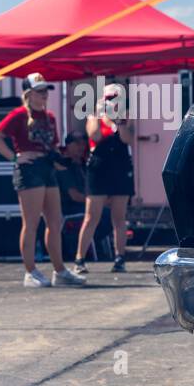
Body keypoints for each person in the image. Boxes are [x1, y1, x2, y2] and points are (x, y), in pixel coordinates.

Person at [0, 74, 86, 288]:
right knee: (31, 223)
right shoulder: (19, 114)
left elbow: (52, 145)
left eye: (46, 90)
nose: (44, 95)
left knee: (55, 221)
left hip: (47, 169)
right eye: (40, 91)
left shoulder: (50, 117)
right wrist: (15, 157)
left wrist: (60, 159)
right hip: (29, 170)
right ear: (29, 94)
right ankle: (30, 271)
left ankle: (59, 271)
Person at [73, 83, 134, 274]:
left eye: (116, 100)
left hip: (120, 167)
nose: (113, 104)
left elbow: (126, 139)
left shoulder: (126, 117)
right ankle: (80, 259)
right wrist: (102, 116)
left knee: (119, 217)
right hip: (99, 169)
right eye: (109, 100)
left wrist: (120, 121)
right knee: (92, 216)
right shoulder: (94, 117)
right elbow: (95, 135)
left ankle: (119, 258)